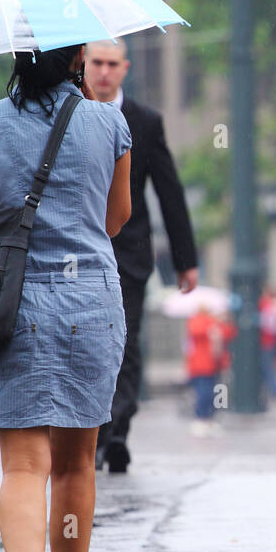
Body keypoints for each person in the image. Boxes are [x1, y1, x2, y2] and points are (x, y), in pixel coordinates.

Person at [0, 42, 132, 552]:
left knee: (23, 466)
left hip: (13, 306)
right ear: (79, 56)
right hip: (91, 301)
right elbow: (116, 218)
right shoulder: (109, 122)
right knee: (76, 464)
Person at [83, 38, 199, 474]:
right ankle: (91, 432)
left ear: (125, 68)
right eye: (97, 63)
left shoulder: (146, 122)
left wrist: (186, 259)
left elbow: (169, 191)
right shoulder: (70, 116)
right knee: (88, 344)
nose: (104, 72)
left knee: (125, 344)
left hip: (128, 256)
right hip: (79, 254)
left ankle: (116, 432)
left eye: (113, 64)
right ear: (84, 63)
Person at [184, 305, 223, 437]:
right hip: (202, 364)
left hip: (207, 364)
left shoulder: (210, 323)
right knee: (204, 393)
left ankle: (207, 418)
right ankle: (202, 418)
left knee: (210, 392)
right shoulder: (203, 322)